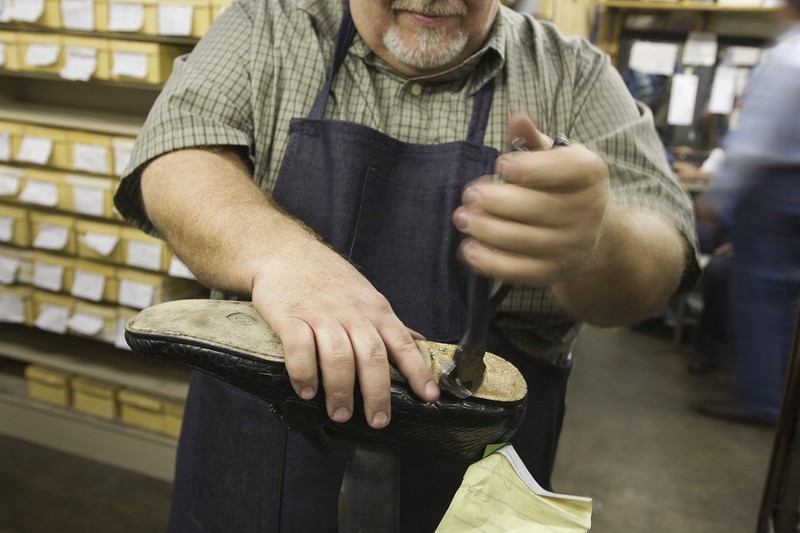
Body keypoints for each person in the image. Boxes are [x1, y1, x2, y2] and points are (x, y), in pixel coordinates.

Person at [113, 1, 700, 530]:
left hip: (469, 493)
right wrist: (280, 254)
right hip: (260, 460)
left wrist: (597, 241)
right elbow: (174, 159)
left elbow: (662, 255)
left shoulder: (575, 74)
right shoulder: (267, 27)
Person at [694, 0, 800, 426]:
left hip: (777, 188)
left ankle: (761, 399)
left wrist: (717, 197)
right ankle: (780, 391)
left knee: (757, 294)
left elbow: (754, 144)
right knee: (787, 299)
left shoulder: (786, 58)